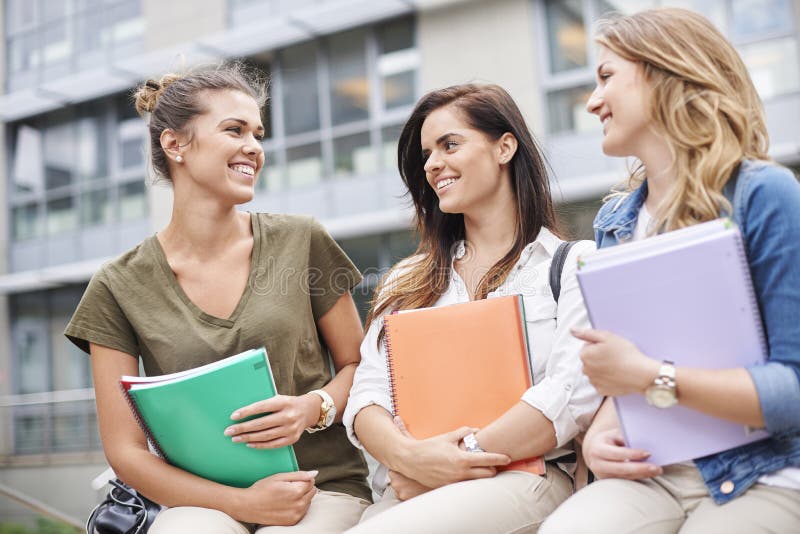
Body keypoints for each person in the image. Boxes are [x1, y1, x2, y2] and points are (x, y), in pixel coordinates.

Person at [65, 63, 372, 533]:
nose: (254, 147)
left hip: (319, 488)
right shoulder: (116, 285)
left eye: (258, 133)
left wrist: (313, 407)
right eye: (234, 130)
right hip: (201, 502)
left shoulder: (302, 240)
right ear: (174, 144)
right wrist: (244, 504)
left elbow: (359, 365)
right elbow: (125, 451)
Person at [540, 8, 800, 534]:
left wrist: (649, 376)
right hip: (654, 472)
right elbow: (625, 371)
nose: (592, 101)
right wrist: (601, 433)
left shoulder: (764, 195)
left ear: (663, 73)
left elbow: (792, 391)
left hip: (766, 471)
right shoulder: (616, 221)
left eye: (607, 77)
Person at [341, 83, 601, 533]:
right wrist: (412, 460)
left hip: (528, 479)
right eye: (426, 154)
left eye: (449, 144)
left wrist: (457, 460)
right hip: (413, 484)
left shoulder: (572, 265)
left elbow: (569, 396)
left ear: (504, 147)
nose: (433, 164)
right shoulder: (409, 280)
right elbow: (366, 397)